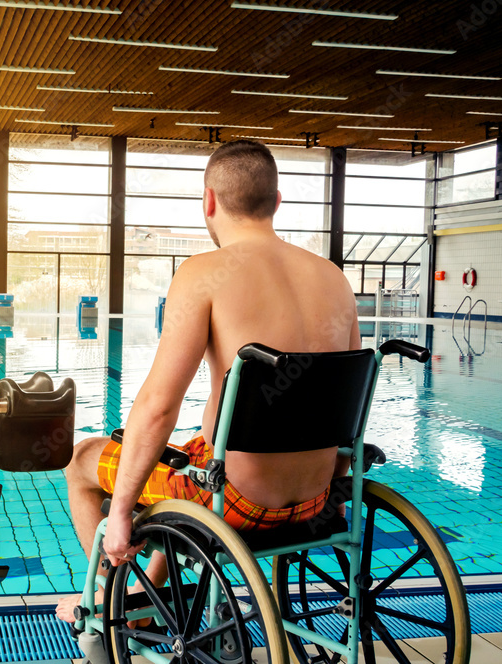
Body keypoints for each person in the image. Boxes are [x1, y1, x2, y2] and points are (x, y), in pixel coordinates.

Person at [56, 140, 360, 623]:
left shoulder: (204, 273)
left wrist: (121, 514)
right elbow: (346, 407)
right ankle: (145, 599)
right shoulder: (333, 279)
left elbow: (158, 406)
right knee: (190, 454)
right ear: (276, 202)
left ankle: (111, 596)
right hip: (317, 499)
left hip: (234, 500)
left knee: (81, 461)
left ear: (209, 201)